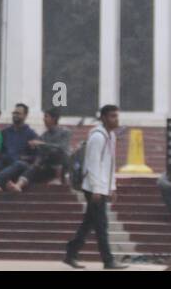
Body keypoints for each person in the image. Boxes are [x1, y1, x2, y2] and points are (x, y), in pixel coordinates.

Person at [63, 104, 126, 269]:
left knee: (89, 223)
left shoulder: (110, 136)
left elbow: (109, 164)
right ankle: (108, 260)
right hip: (93, 188)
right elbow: (92, 165)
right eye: (112, 116)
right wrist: (98, 189)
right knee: (101, 225)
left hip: (102, 186)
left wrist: (112, 187)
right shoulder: (97, 137)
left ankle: (71, 251)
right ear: (104, 118)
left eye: (116, 116)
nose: (116, 119)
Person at [0, 103, 38, 193]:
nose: (15, 115)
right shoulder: (5, 132)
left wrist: (24, 157)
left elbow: (35, 157)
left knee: (19, 163)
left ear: (25, 115)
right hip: (5, 165)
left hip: (19, 166)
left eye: (18, 113)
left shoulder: (31, 134)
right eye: (14, 113)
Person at [10, 108, 71, 192]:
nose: (43, 119)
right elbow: (41, 152)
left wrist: (41, 144)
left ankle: (58, 178)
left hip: (63, 166)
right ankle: (18, 185)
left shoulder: (65, 132)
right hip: (48, 166)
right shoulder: (44, 136)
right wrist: (35, 148)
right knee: (34, 166)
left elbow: (62, 148)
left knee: (56, 151)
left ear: (54, 119)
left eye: (46, 117)